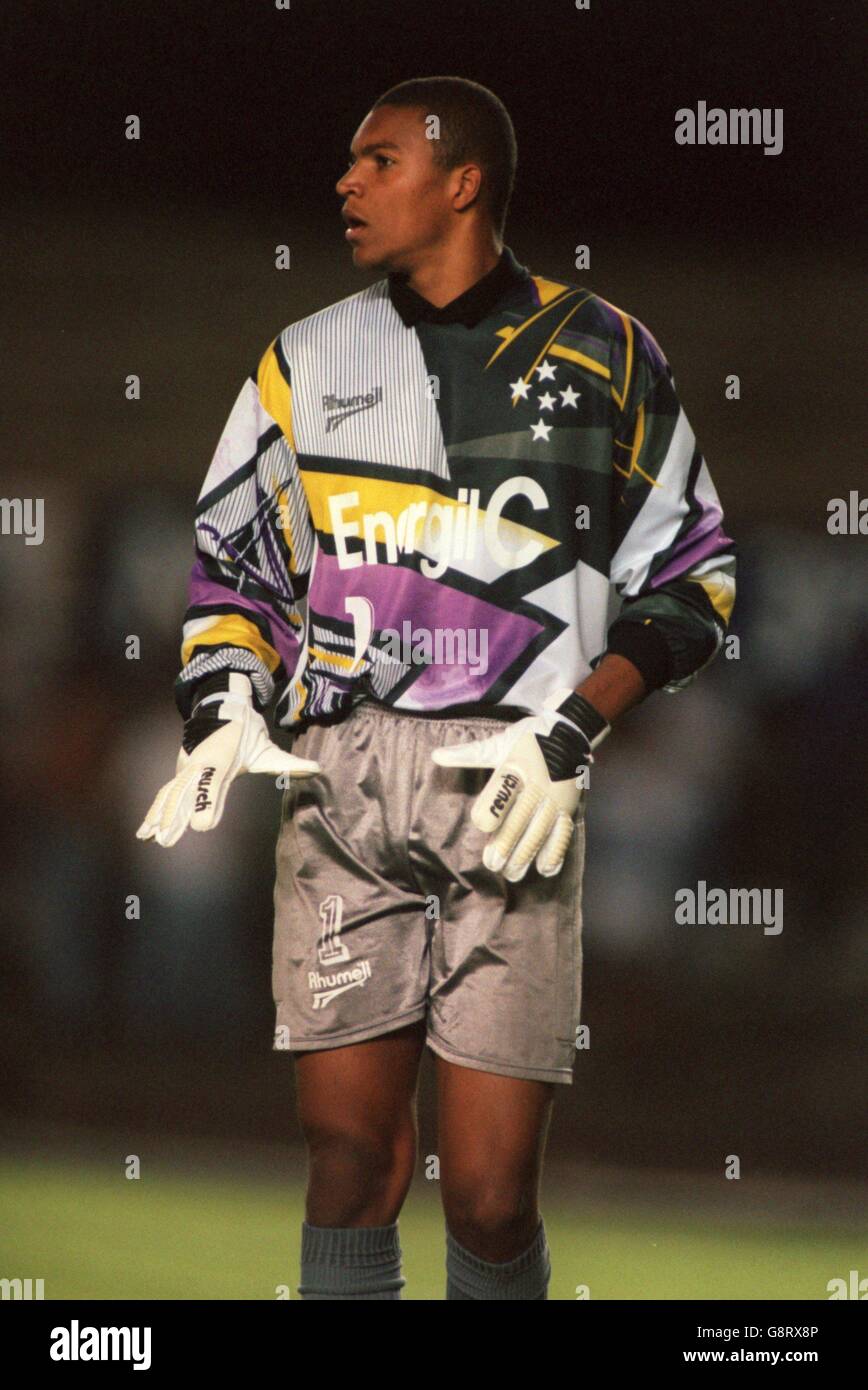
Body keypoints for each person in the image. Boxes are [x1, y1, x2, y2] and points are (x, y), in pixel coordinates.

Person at [137, 75, 737, 1300]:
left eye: (377, 159)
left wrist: (573, 729)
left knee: (489, 1193)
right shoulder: (302, 357)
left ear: (462, 181)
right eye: (348, 163)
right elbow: (235, 571)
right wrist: (222, 709)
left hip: (514, 786)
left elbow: (695, 580)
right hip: (339, 778)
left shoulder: (608, 350)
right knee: (348, 1158)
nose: (345, 183)